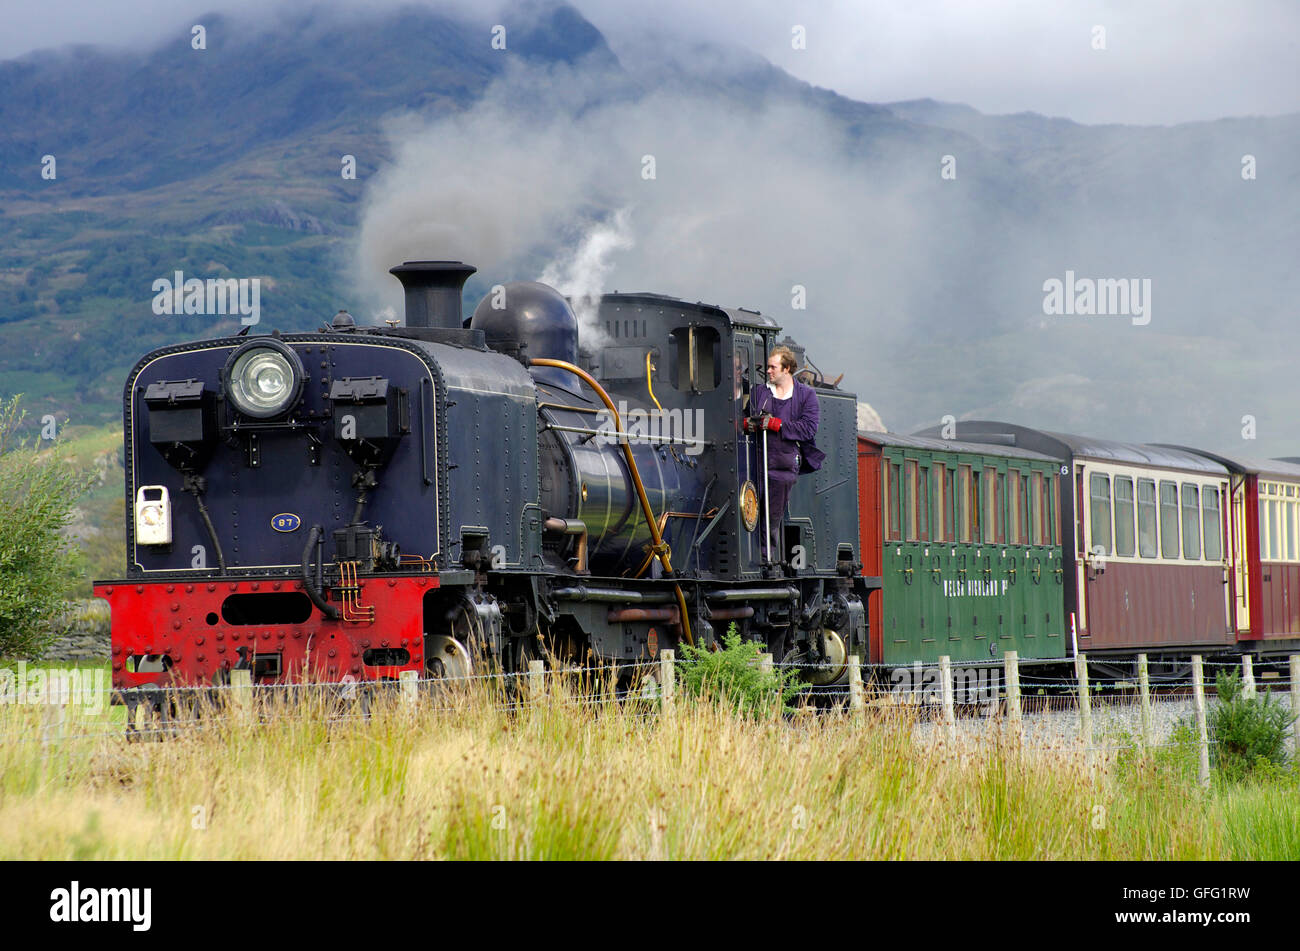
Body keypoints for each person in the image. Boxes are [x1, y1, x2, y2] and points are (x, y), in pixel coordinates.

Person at [745, 344, 825, 562]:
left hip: (783, 465)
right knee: (749, 514)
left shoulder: (806, 396)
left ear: (787, 368)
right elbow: (745, 419)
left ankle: (767, 559)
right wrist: (748, 425)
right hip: (755, 463)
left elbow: (808, 428)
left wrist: (778, 425)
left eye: (772, 367)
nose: (768, 371)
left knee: (771, 517)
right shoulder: (759, 393)